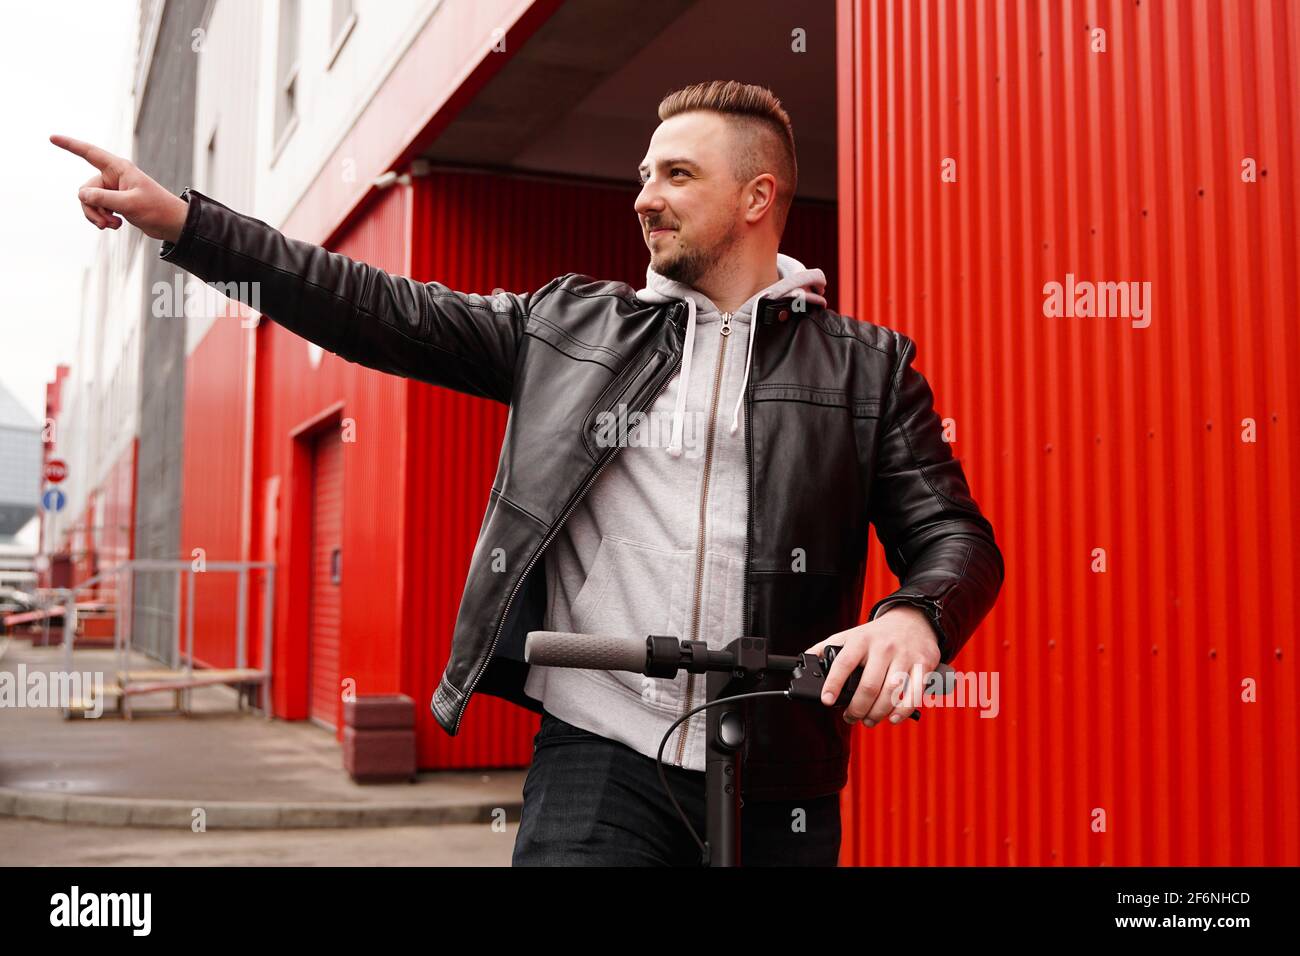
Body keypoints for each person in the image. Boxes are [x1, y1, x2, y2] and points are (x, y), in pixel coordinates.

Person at [52, 79, 1004, 866]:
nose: (646, 196)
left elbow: (955, 537)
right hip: (600, 751)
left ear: (758, 198)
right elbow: (373, 305)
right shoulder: (568, 327)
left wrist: (915, 618)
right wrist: (185, 221)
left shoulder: (865, 367)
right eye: (642, 174)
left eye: (677, 175)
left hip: (782, 771)